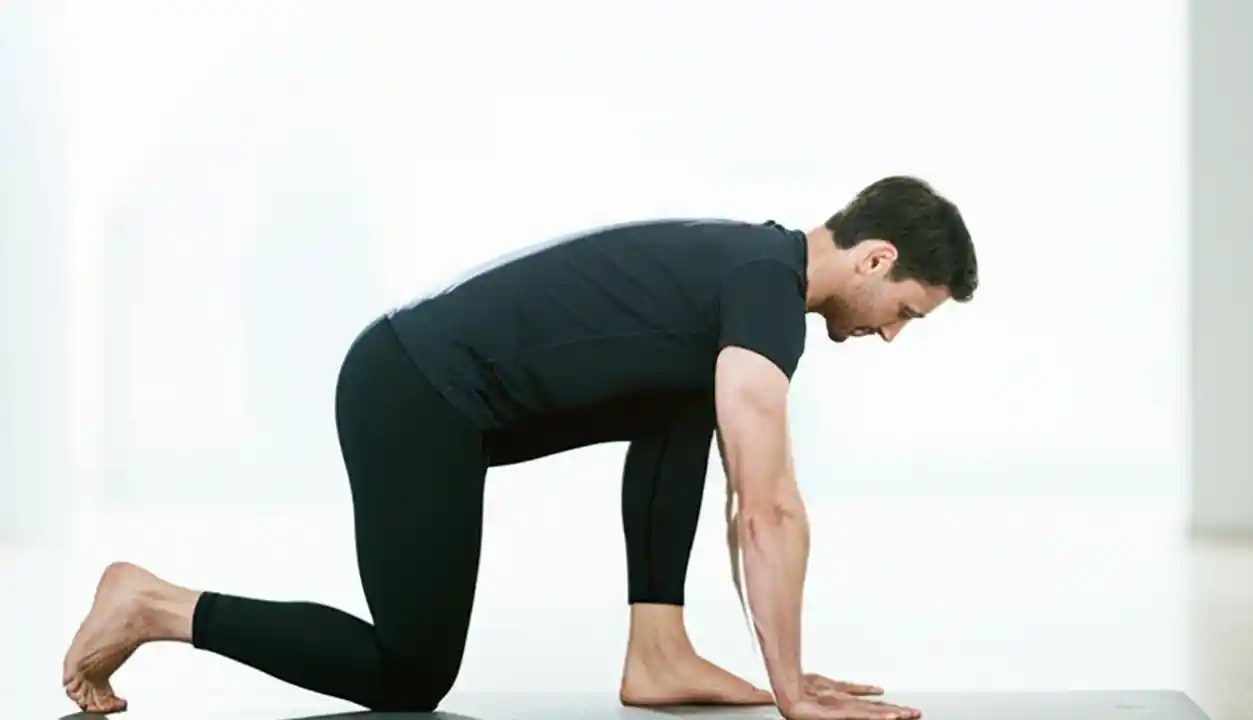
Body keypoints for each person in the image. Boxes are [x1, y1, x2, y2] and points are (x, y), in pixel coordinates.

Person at [62, 175, 978, 720]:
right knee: (409, 673)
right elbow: (765, 502)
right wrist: (792, 689)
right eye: (905, 311)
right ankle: (159, 606)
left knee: (685, 395)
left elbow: (736, 472)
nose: (894, 334)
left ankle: (658, 651)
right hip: (414, 391)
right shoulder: (763, 297)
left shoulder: (746, 277)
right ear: (873, 259)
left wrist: (780, 673)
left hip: (428, 384)